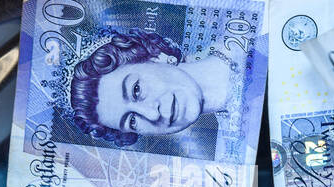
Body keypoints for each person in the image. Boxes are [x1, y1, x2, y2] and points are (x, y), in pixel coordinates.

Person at [66, 29, 237, 145]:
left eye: (136, 90)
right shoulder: (233, 140)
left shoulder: (245, 40)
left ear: (156, 56)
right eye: (132, 121)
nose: (152, 114)